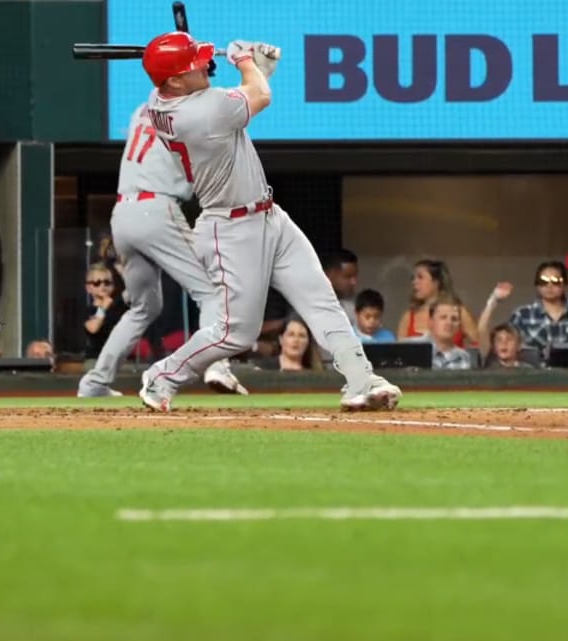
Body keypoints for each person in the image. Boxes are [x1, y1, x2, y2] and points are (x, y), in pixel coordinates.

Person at [135, 33, 401, 412]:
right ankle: (162, 376)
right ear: (175, 81)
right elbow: (259, 96)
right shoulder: (201, 112)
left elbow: (238, 96)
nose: (206, 66)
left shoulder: (161, 101)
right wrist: (247, 63)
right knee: (236, 332)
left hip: (268, 215)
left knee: (321, 297)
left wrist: (255, 72)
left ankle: (362, 379)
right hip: (229, 228)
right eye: (195, 65)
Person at [76, 100, 242, 398]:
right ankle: (216, 365)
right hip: (156, 210)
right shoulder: (190, 108)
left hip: (123, 213)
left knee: (144, 307)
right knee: (212, 291)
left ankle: (94, 384)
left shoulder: (141, 108)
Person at [398, 259, 479, 346]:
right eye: (413, 278)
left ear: (436, 282)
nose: (414, 282)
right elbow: (399, 352)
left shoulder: (459, 312)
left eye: (420, 277)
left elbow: (480, 345)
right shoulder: (408, 316)